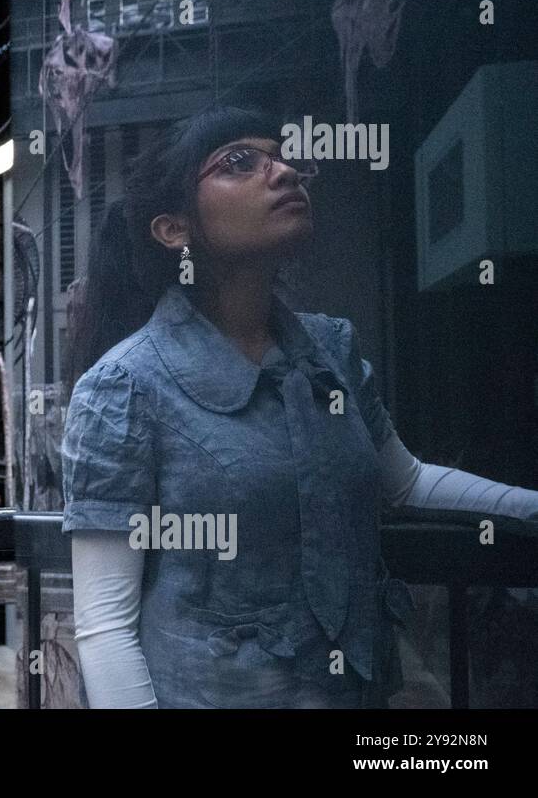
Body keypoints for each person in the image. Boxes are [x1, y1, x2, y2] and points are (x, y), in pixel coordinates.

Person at [62, 105, 538, 708]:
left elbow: (407, 480)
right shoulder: (125, 387)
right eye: (240, 163)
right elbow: (105, 626)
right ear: (173, 229)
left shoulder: (329, 350)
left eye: (284, 157)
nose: (284, 172)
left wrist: (529, 506)